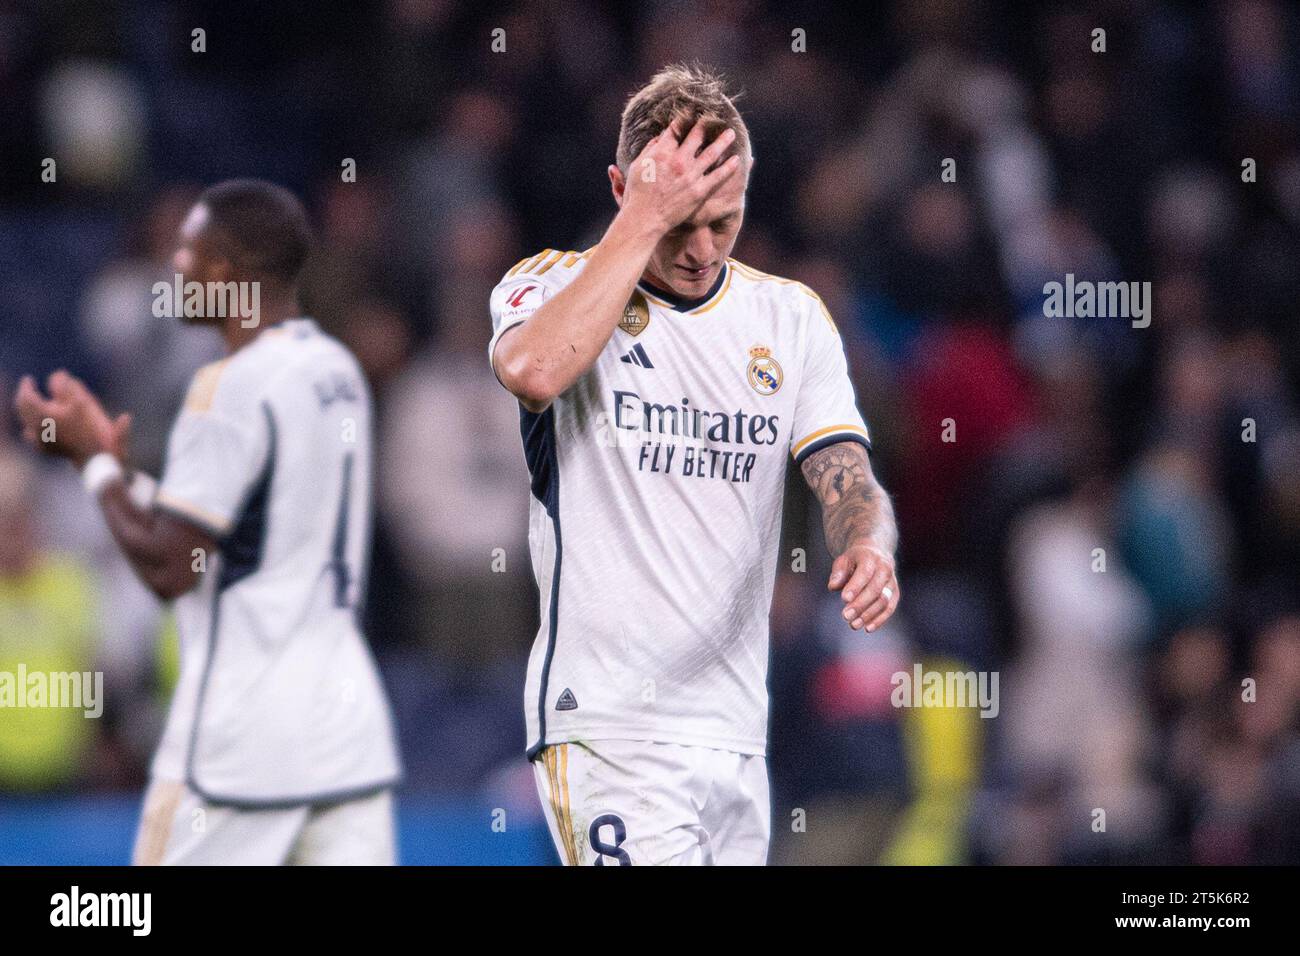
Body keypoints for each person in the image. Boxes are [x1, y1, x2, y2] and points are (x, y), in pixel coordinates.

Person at [488, 65, 899, 865]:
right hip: (608, 728)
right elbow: (535, 370)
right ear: (621, 187)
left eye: (726, 219)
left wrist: (866, 539)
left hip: (734, 733)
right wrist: (644, 221)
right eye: (683, 223)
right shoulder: (546, 285)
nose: (704, 249)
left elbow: (845, 468)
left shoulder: (788, 319)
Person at [13, 179, 401, 865]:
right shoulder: (334, 369)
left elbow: (169, 568)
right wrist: (118, 466)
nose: (176, 270)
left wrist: (90, 466)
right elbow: (245, 526)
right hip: (347, 735)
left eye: (188, 251)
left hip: (246, 741)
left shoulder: (228, 387)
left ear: (227, 268)